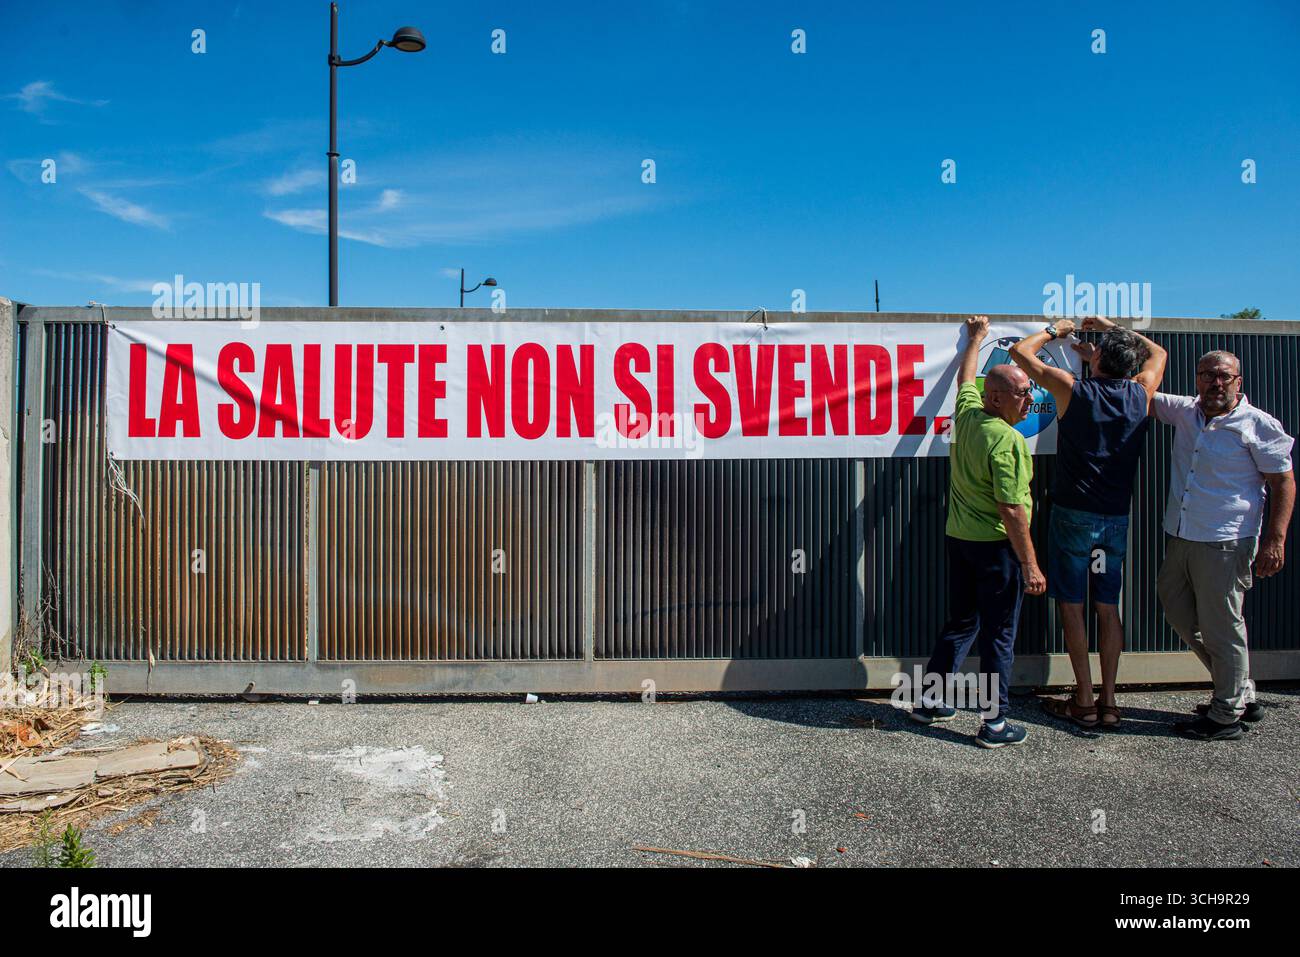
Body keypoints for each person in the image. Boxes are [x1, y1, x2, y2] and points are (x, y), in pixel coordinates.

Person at [1008, 316, 1166, 729]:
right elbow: (1158, 354)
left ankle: (1083, 699)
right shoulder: (1140, 393)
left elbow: (1019, 352)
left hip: (1073, 513)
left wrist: (1054, 330)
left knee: (1073, 606)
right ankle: (1109, 701)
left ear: (1096, 359)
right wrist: (1112, 329)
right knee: (1107, 607)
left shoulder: (1072, 388)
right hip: (1115, 518)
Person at [910, 315, 1046, 748]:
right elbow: (1011, 508)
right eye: (1024, 393)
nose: (1031, 399)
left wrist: (976, 340)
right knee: (999, 636)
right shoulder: (1008, 442)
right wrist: (1030, 564)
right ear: (999, 398)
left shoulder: (968, 416)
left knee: (961, 622)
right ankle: (995, 723)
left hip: (961, 542)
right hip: (998, 551)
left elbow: (966, 379)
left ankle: (930, 701)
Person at [1153, 350, 1295, 741]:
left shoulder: (1258, 425)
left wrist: (1275, 540)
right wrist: (1100, 344)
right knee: (1178, 611)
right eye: (1207, 375)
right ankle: (1239, 692)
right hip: (1181, 535)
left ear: (1238, 382)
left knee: (1223, 628)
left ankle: (1226, 715)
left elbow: (1283, 482)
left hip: (1226, 542)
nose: (1216, 383)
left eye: (1224, 376)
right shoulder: (1185, 412)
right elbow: (1137, 393)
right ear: (1197, 379)